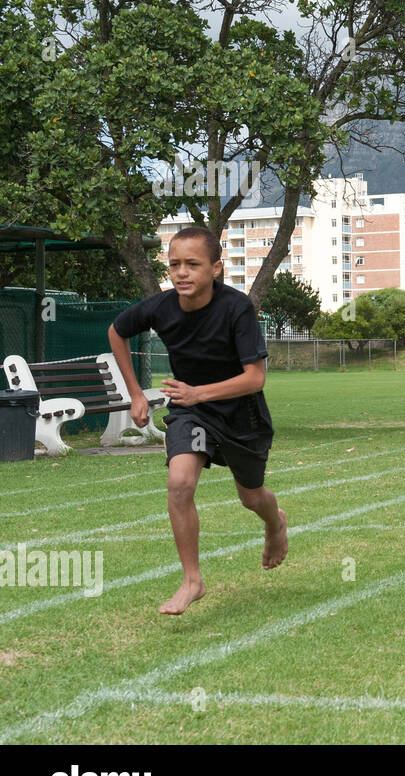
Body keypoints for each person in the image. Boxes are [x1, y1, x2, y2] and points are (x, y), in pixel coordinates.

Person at [107, 226, 286, 615]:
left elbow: (255, 377)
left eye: (192, 264)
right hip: (191, 412)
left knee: (251, 497)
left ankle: (276, 525)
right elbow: (116, 331)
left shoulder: (237, 308)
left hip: (242, 413)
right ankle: (193, 580)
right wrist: (136, 393)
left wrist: (198, 392)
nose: (182, 273)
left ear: (216, 268)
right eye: (174, 265)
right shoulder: (160, 307)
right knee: (180, 481)